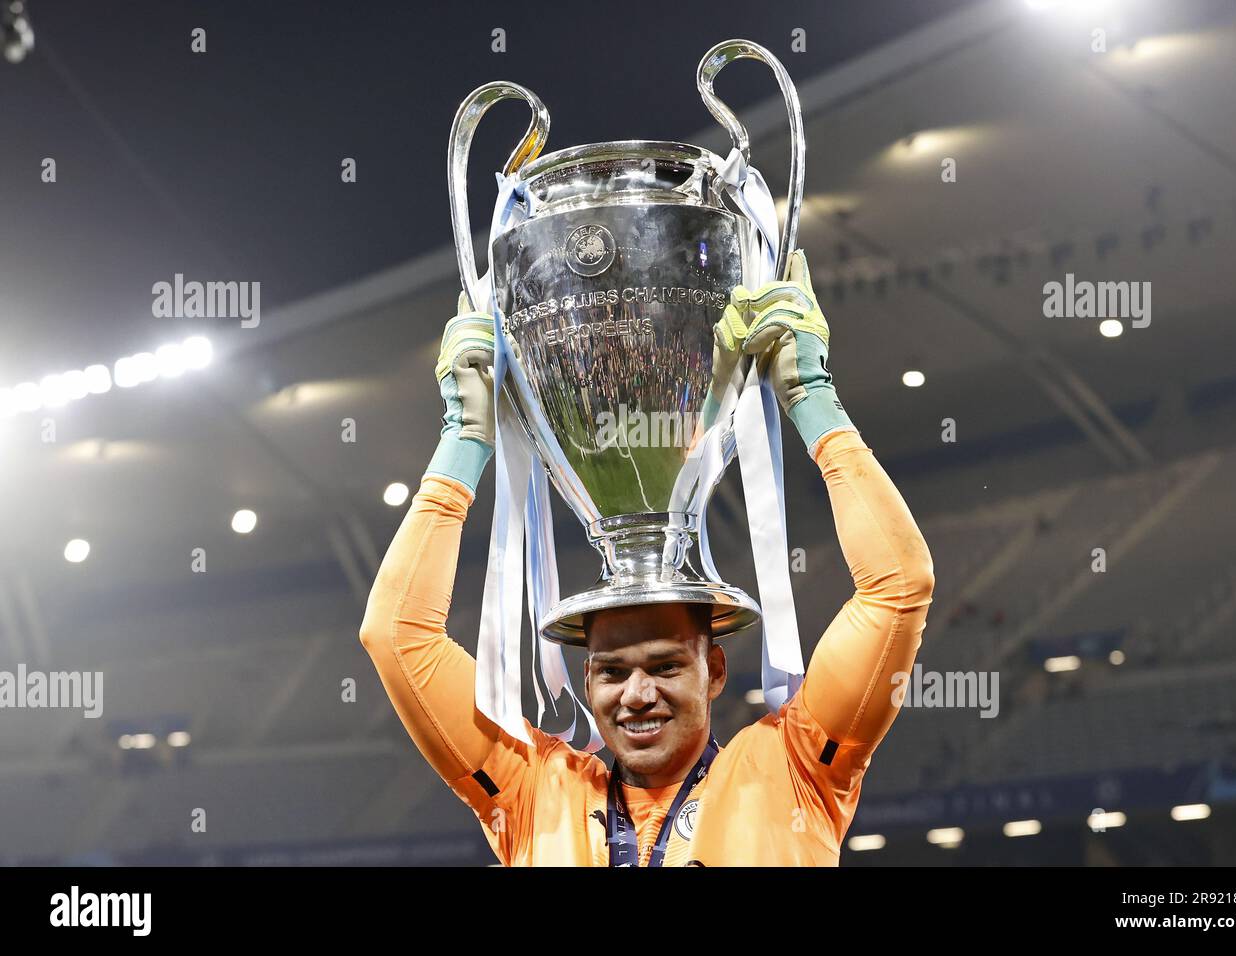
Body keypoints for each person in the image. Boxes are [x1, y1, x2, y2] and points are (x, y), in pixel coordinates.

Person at [359, 251, 934, 865]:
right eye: (611, 671)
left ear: (713, 670)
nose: (636, 694)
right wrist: (465, 437)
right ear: (587, 681)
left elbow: (900, 585)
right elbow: (394, 634)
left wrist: (810, 397)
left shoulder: (795, 768)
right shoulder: (532, 792)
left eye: (663, 667)